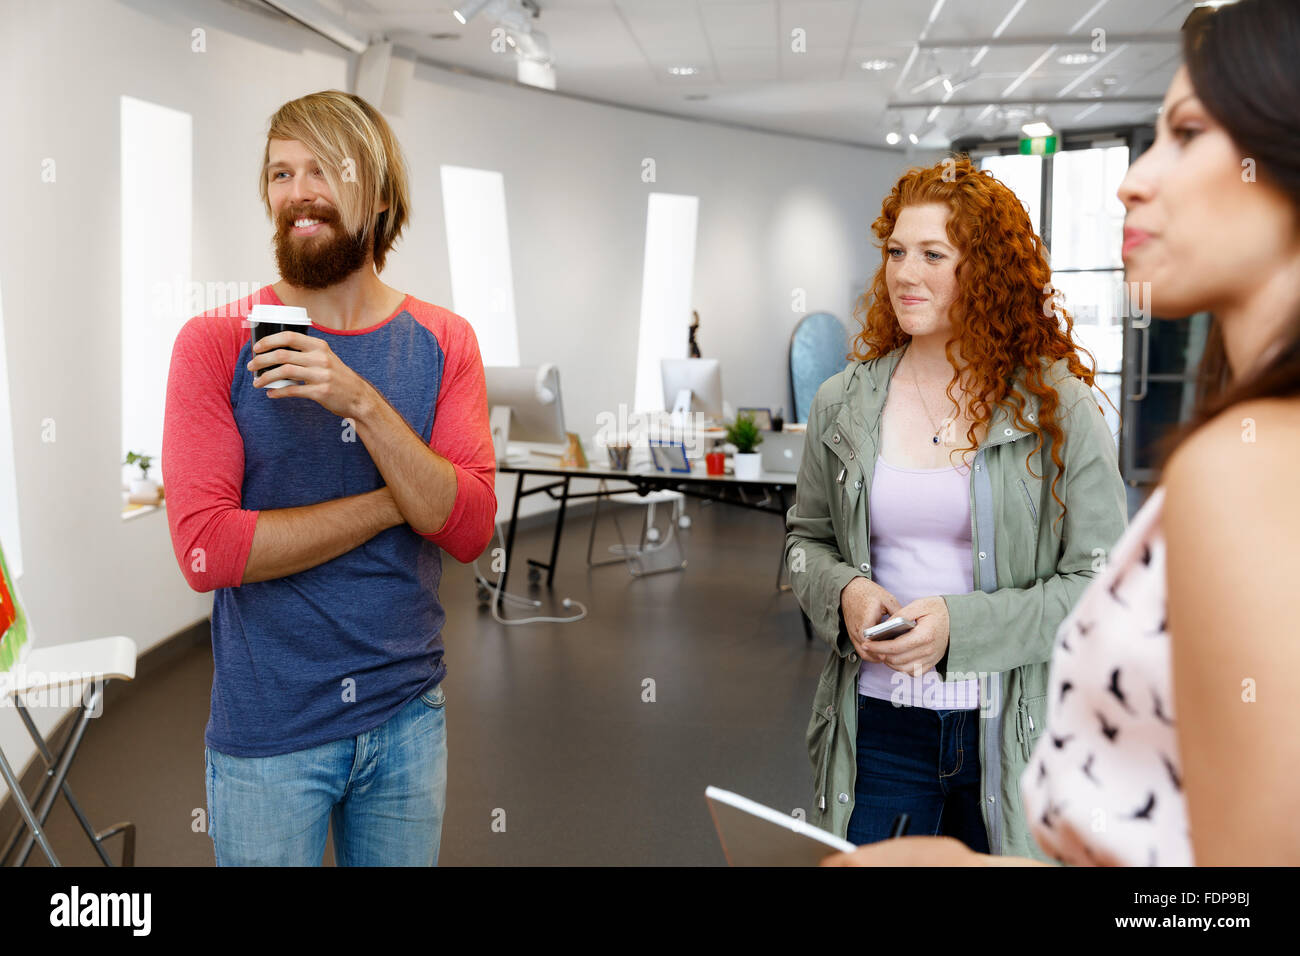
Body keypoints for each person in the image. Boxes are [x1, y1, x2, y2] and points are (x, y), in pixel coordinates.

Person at [822, 0, 1300, 867]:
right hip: (887, 722)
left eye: (1186, 132)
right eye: (897, 251)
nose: (1131, 179)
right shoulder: (1241, 449)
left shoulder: (1250, 469)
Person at [162, 91, 496, 866]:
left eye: (322, 169)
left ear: (379, 195)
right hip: (270, 733)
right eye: (280, 172)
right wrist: (394, 504)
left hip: (409, 714)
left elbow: (472, 529)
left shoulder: (445, 342)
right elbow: (207, 551)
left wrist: (361, 403)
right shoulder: (214, 342)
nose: (296, 191)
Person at [784, 154, 1128, 860]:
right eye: (896, 251)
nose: (906, 273)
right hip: (877, 730)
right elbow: (804, 543)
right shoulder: (841, 403)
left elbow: (1100, 587)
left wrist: (959, 630)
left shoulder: (1057, 407)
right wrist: (845, 592)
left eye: (934, 254)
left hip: (1012, 735)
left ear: (987, 271)